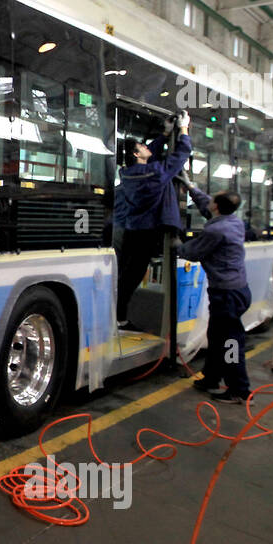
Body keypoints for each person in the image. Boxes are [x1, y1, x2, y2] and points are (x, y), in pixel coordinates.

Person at [114, 111, 192, 329]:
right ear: (136, 154)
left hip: (131, 229)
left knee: (125, 275)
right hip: (146, 232)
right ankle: (120, 318)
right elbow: (181, 155)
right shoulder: (154, 174)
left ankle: (117, 315)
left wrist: (165, 134)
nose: (147, 147)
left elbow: (151, 154)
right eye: (142, 146)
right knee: (133, 277)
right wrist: (183, 129)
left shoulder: (128, 173)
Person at [181, 185, 251, 405]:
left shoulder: (215, 231)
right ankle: (211, 378)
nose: (209, 201)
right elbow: (205, 205)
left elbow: (192, 252)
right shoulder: (235, 222)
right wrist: (191, 187)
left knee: (230, 343)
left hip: (227, 295)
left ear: (217, 207)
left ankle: (239, 389)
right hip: (238, 290)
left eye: (212, 199)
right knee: (216, 336)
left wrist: (174, 245)